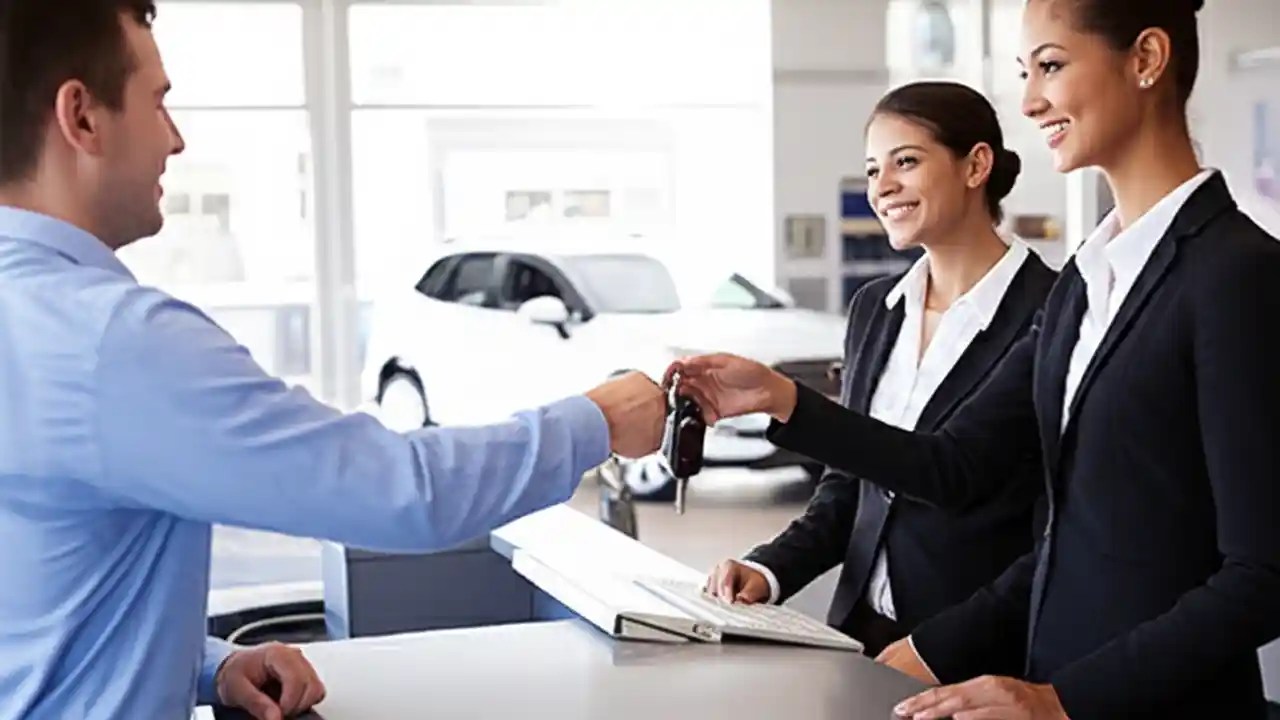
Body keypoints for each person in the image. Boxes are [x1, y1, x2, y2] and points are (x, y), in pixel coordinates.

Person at [0, 3, 666, 719]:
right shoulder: (112, 342)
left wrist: (209, 664)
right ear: (82, 117)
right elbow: (399, 491)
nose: (176, 138)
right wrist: (598, 420)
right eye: (158, 102)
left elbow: (37, 596)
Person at [668, 0, 1280, 716]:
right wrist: (962, 655)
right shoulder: (1088, 283)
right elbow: (1015, 506)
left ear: (1146, 60)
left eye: (1050, 66)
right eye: (1025, 72)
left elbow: (1264, 576)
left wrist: (1060, 700)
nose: (1028, 100)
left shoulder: (1239, 274)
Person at [705, 81, 1055, 658]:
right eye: (872, 170)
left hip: (982, 656)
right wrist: (768, 572)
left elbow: (1041, 525)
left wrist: (783, 398)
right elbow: (850, 486)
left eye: (906, 162)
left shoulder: (1054, 310)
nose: (882, 187)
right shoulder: (877, 308)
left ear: (977, 166)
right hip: (865, 640)